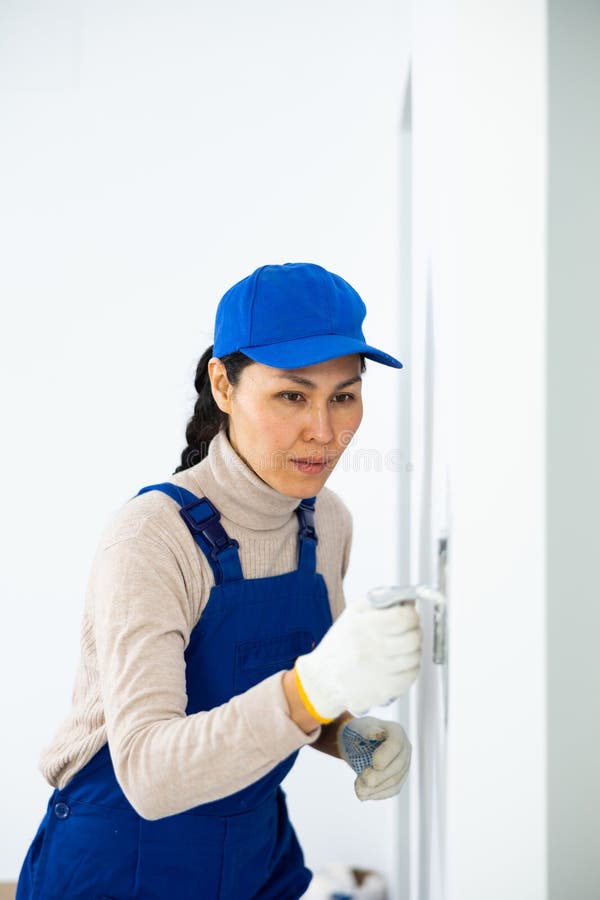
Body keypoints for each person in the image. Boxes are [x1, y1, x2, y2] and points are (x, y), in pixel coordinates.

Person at [16, 262, 422, 900]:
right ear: (224, 386)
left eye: (344, 395)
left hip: (253, 857)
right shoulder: (152, 538)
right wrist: (311, 693)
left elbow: (295, 701)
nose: (325, 430)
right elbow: (148, 775)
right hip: (121, 865)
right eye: (293, 395)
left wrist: (347, 735)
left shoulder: (326, 526)